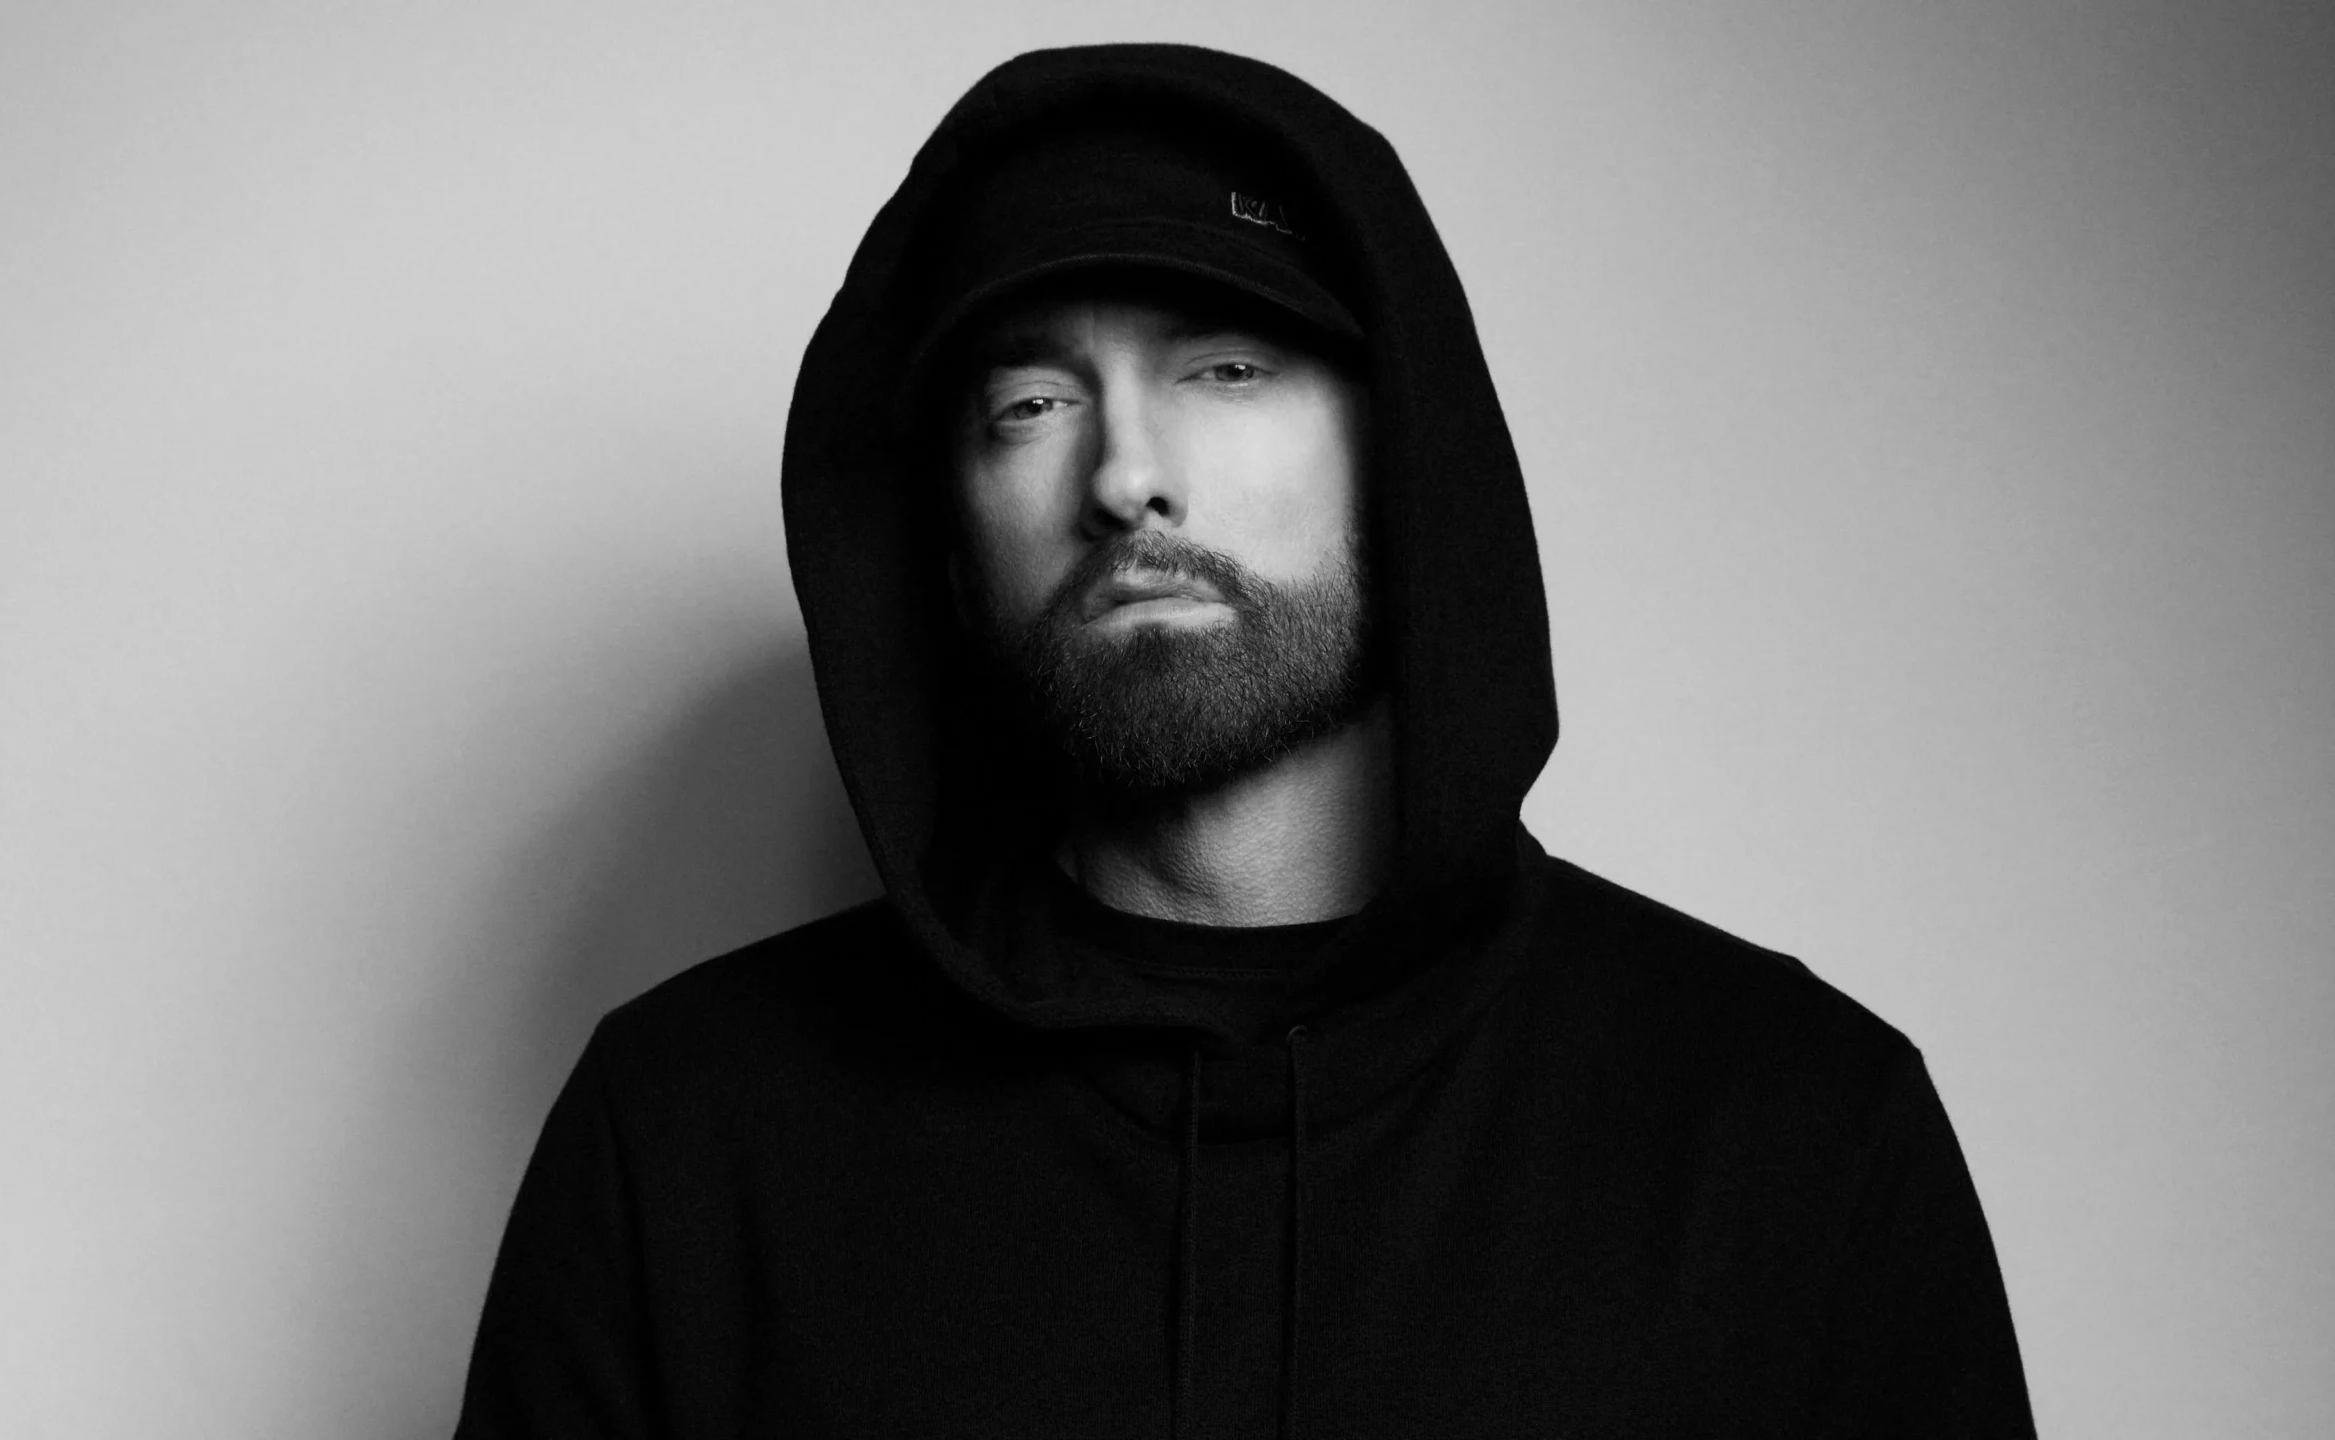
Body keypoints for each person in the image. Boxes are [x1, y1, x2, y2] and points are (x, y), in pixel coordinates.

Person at [455, 43, 2033, 1438]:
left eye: (1225, 367)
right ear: (946, 543)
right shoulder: (690, 1135)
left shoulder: (1787, 1127)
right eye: (1028, 404)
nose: (1123, 474)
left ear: (1402, 458)